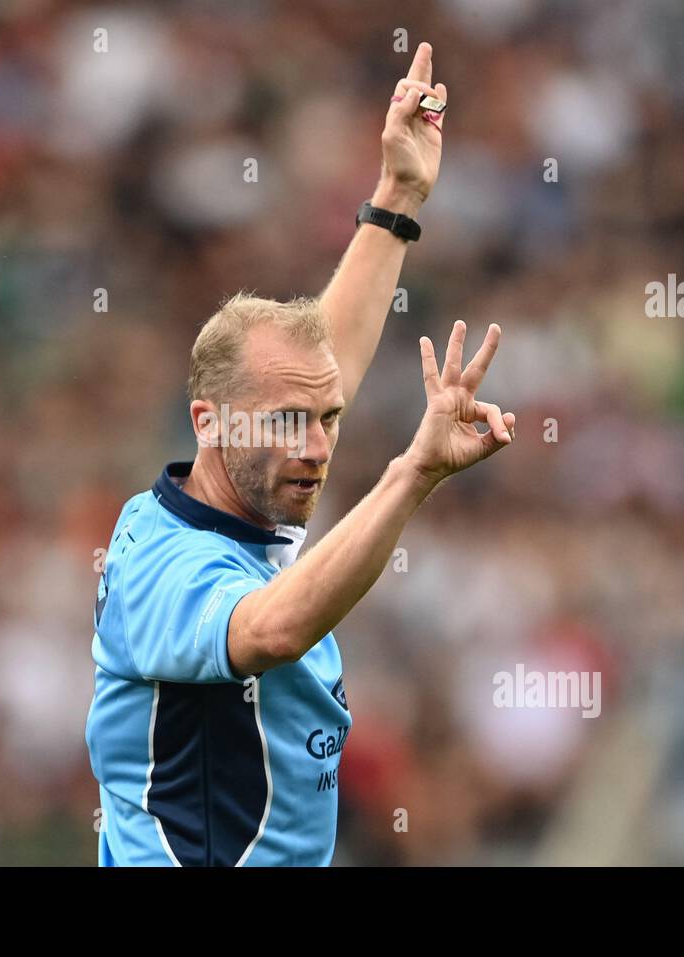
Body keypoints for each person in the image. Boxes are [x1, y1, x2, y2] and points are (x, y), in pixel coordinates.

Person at [85, 44, 515, 866]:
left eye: (327, 420)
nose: (317, 446)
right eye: (290, 423)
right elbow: (274, 631)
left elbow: (328, 361)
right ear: (208, 421)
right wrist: (413, 472)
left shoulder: (247, 502)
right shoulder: (166, 565)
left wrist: (398, 195)